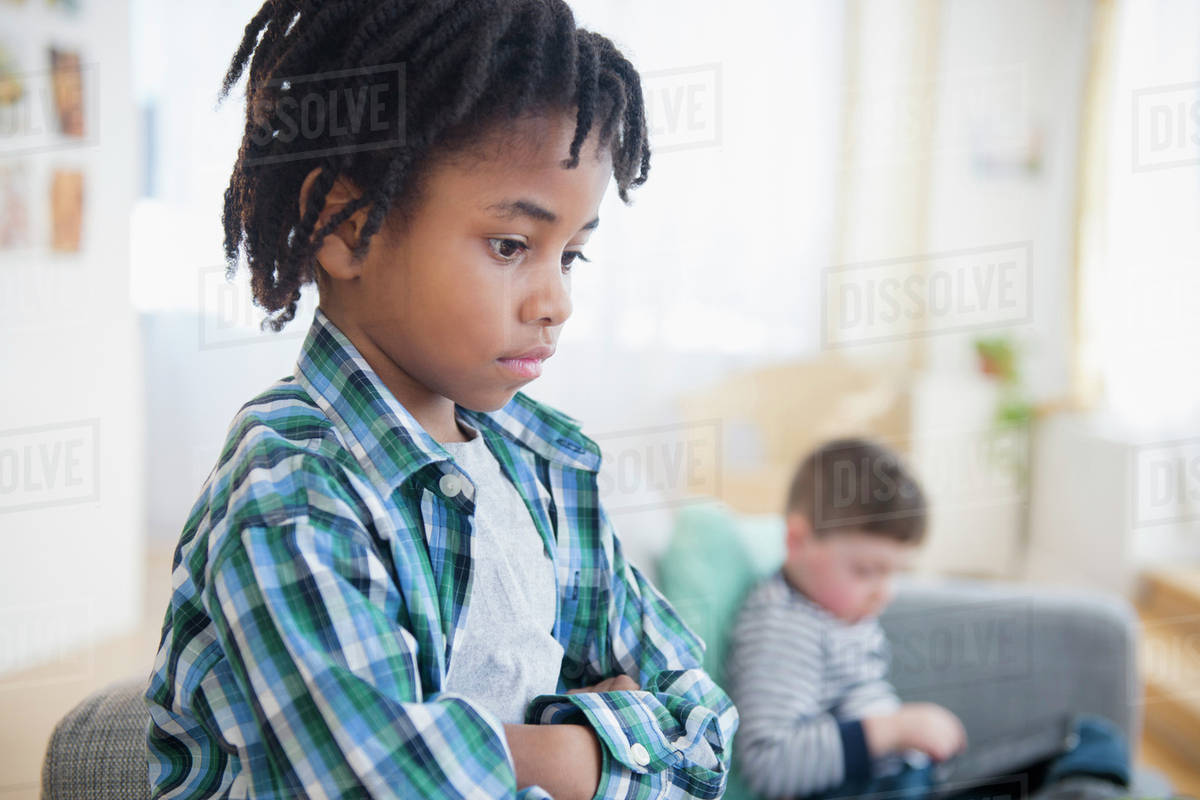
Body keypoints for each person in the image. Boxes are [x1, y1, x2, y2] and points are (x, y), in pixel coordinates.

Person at [143, 2, 737, 798]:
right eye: (511, 246)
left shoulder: (544, 468)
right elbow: (397, 785)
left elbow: (703, 726)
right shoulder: (292, 493)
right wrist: (572, 753)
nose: (555, 300)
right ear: (347, 224)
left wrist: (519, 753)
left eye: (573, 254)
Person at [723, 437, 963, 800]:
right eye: (867, 570)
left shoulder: (841, 609)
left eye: (895, 573)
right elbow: (770, 764)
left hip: (898, 777)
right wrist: (894, 730)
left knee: (1076, 742)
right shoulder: (783, 628)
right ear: (798, 540)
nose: (885, 592)